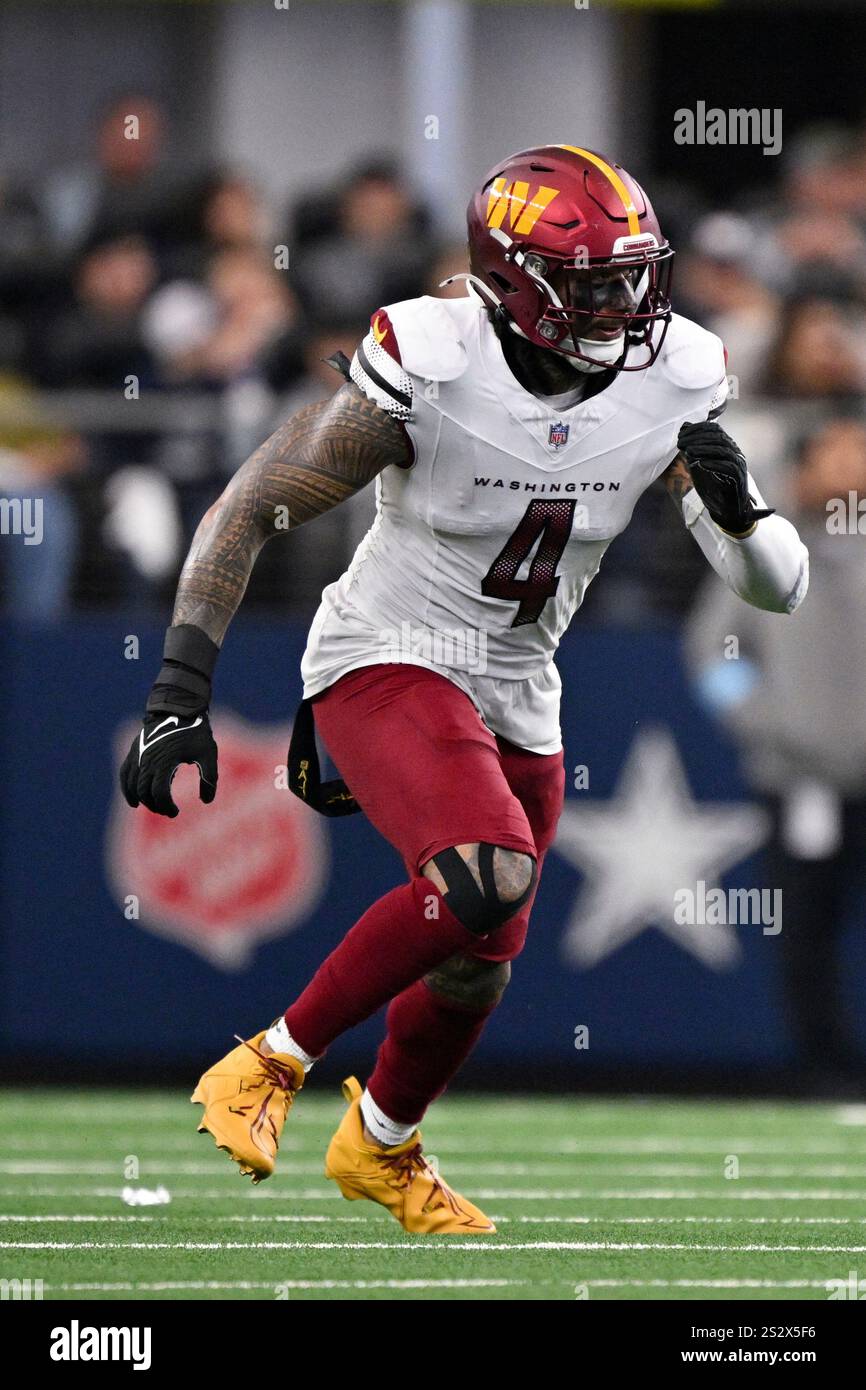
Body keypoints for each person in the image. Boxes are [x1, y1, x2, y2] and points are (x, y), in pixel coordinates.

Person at [119, 145, 809, 1235]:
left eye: (632, 277)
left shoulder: (673, 376)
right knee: (486, 874)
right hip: (388, 647)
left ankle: (382, 1147)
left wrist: (740, 518)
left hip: (518, 680)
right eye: (591, 284)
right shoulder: (430, 362)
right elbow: (249, 506)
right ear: (516, 282)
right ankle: (270, 1060)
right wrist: (175, 690)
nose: (622, 304)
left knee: (478, 957)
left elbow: (772, 591)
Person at [686, 415, 866, 1087]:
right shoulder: (765, 548)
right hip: (802, 785)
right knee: (807, 931)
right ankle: (825, 1069)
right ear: (801, 469)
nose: (852, 467)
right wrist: (774, 725)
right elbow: (714, 656)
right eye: (838, 450)